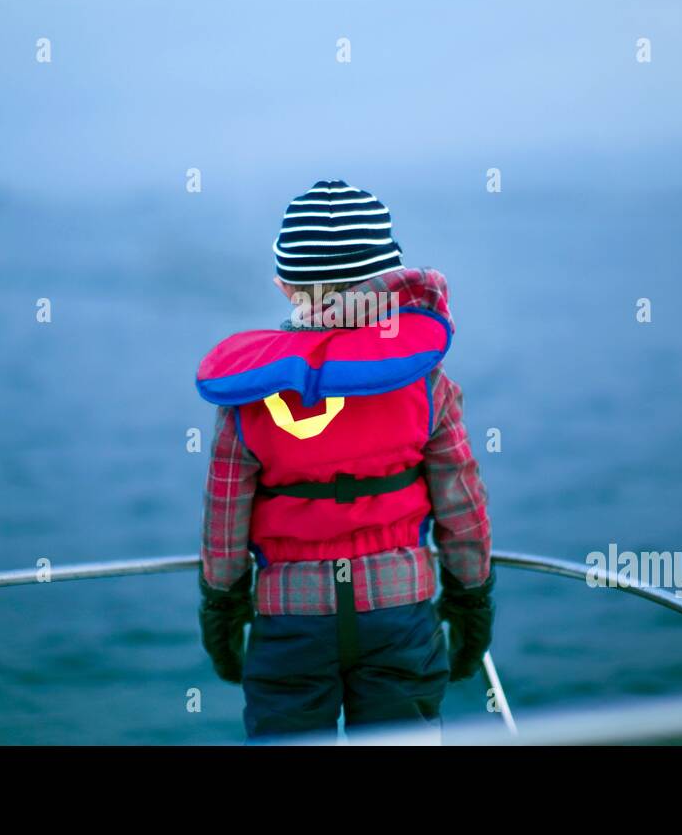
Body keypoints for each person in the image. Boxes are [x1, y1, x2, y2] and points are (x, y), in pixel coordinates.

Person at [194, 179, 493, 741]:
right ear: (385, 282)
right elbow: (463, 504)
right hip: (400, 614)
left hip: (290, 623)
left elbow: (222, 524)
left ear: (285, 286)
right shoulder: (425, 381)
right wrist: (471, 598)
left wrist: (221, 610)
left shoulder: (248, 395)